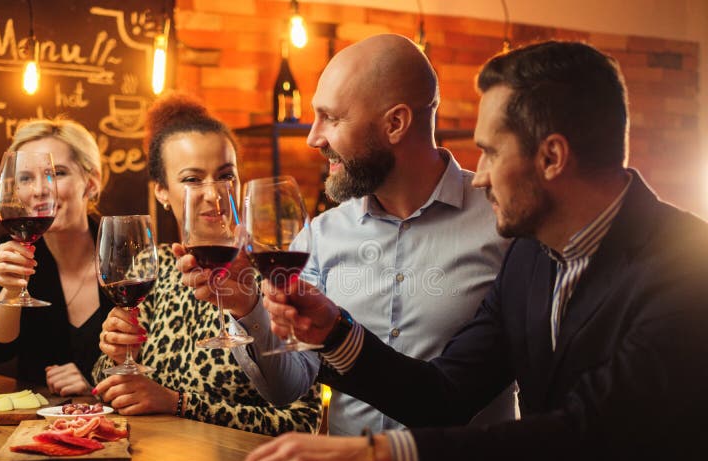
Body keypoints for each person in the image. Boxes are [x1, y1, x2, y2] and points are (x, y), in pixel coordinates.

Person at [234, 40, 708, 461]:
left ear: (552, 157)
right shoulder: (528, 256)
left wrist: (374, 459)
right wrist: (335, 332)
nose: (477, 178)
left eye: (489, 153)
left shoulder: (689, 264)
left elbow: (587, 432)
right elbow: (444, 394)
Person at [177, 33, 518, 436]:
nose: (313, 137)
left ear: (396, 123)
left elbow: (456, 395)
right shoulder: (320, 236)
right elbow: (287, 387)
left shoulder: (504, 223)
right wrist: (247, 305)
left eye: (332, 118)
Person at [91, 93, 321, 436]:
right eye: (192, 179)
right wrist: (120, 356)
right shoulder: (153, 269)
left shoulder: (274, 273)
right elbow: (104, 381)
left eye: (226, 175)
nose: (214, 194)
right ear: (162, 192)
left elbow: (302, 422)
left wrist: (179, 403)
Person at [0, 118, 112, 396]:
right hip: (37, 424)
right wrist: (11, 290)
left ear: (91, 183)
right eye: (26, 178)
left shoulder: (122, 253)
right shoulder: (14, 251)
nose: (39, 189)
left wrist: (95, 385)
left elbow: (154, 361)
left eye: (56, 173)